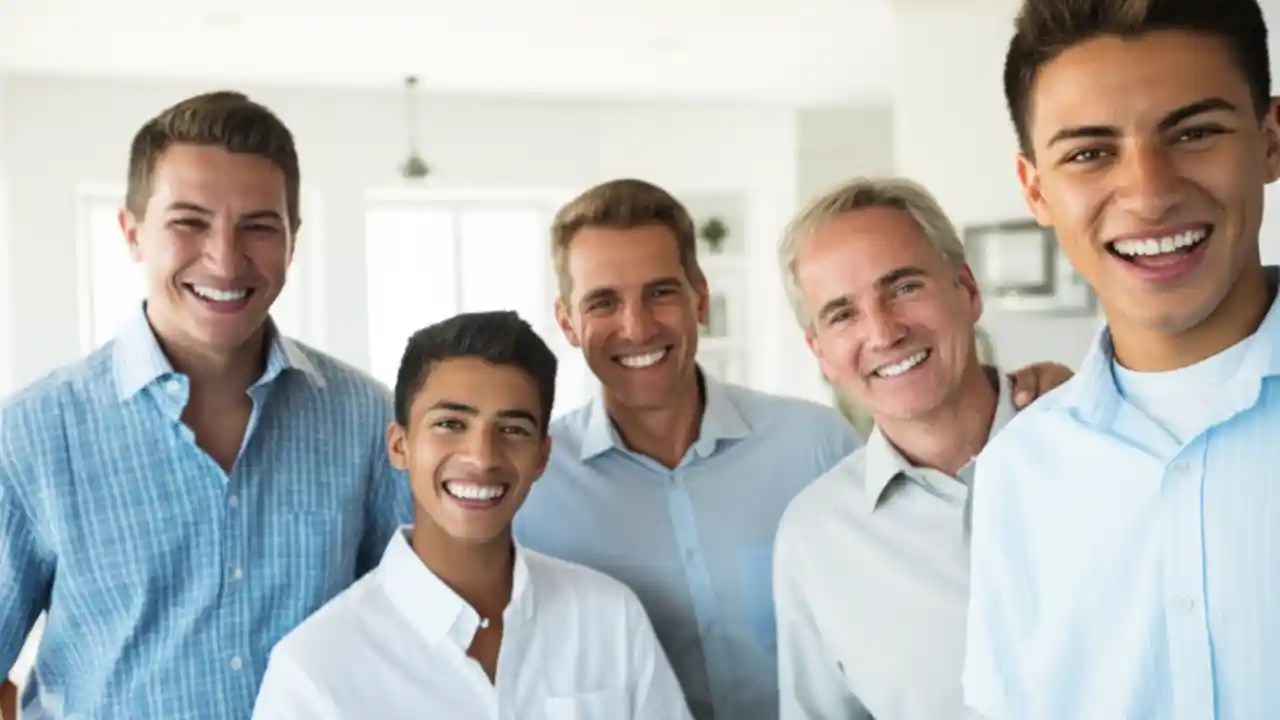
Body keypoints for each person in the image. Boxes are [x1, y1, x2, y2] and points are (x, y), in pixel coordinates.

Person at [513, 178, 1071, 719]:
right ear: (566, 321)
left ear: (700, 298)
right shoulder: (528, 483)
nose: (635, 326)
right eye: (603, 302)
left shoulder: (813, 444)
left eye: (660, 292)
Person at [0, 91, 408, 718]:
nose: (224, 257)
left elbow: (417, 645)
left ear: (293, 241)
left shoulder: (369, 422)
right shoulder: (29, 435)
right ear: (132, 232)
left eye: (259, 227)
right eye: (189, 221)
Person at [963, 0, 1280, 717]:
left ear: (1270, 140)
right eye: (1089, 153)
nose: (1149, 193)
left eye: (1195, 132)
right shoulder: (1018, 477)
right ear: (1036, 188)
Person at [253, 311, 692, 719]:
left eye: (513, 430)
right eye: (450, 424)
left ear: (542, 457)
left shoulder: (610, 620)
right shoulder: (314, 669)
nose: (482, 458)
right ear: (399, 445)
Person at [772, 176, 1057, 719]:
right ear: (821, 353)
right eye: (842, 313)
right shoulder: (813, 538)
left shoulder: (1098, 452)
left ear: (967, 291)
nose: (883, 332)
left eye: (903, 287)